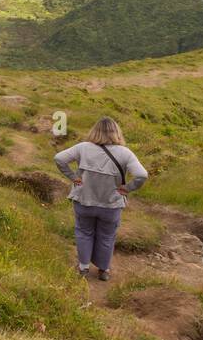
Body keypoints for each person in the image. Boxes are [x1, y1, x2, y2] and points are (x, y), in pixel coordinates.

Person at [54, 117, 148, 281]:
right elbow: (142, 175)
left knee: (84, 232)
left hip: (84, 201)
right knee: (107, 236)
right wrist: (128, 188)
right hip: (111, 205)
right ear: (116, 133)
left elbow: (59, 158)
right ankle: (104, 270)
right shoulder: (125, 153)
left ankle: (83, 267)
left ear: (95, 131)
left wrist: (73, 177)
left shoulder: (83, 148)